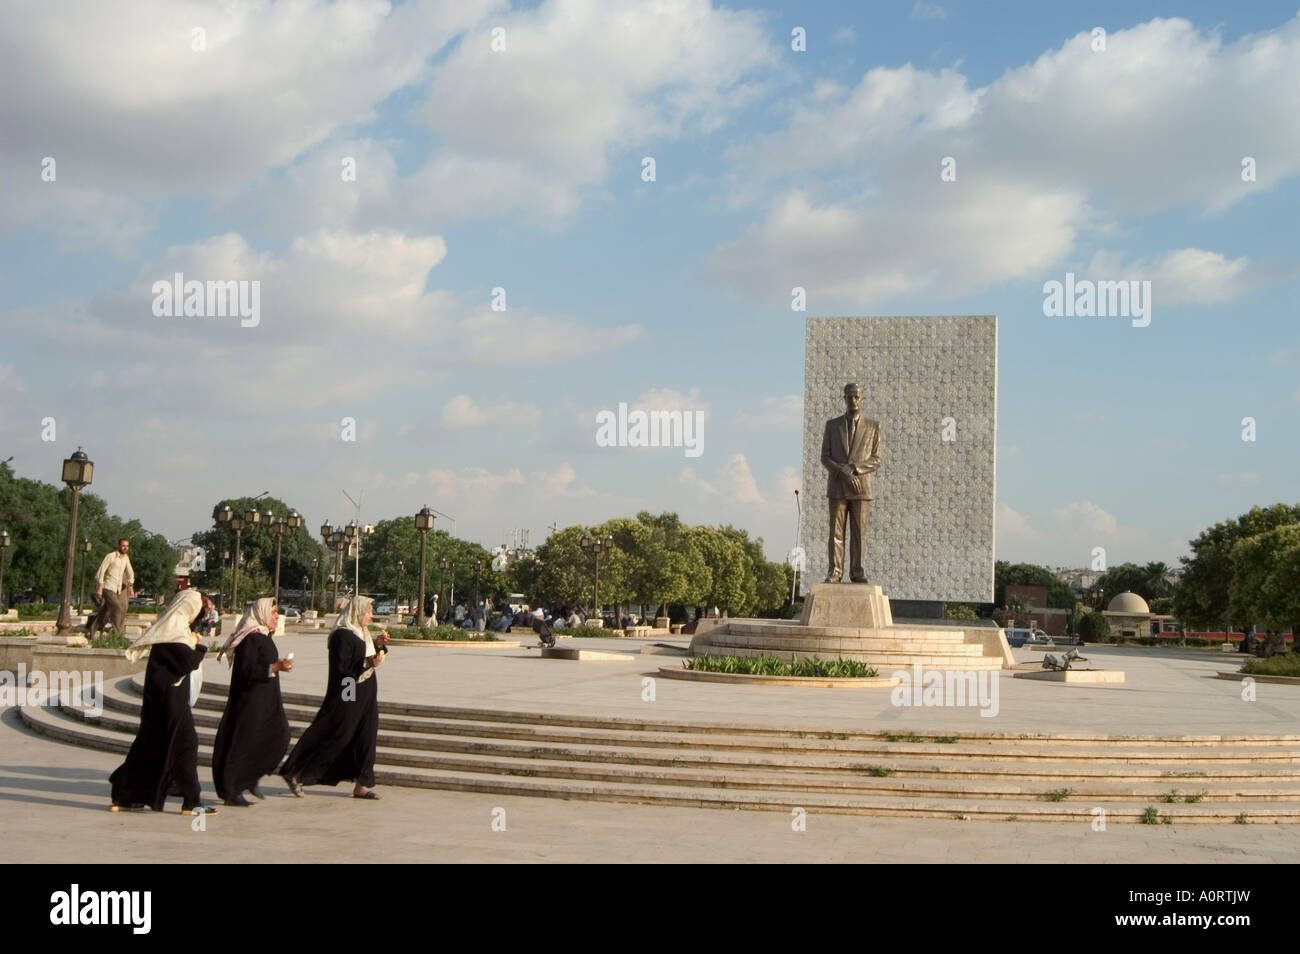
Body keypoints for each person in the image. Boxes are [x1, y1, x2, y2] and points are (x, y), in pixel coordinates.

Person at [108, 589, 215, 815]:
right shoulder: (173, 632)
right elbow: (187, 663)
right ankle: (192, 801)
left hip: (163, 700)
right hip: (171, 703)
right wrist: (200, 647)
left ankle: (123, 793)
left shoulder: (174, 629)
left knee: (149, 747)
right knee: (186, 745)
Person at [280, 595, 389, 800]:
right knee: (336, 731)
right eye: (368, 611)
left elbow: (363, 655)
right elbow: (344, 668)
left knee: (367, 735)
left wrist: (378, 644)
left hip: (366, 690)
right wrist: (368, 664)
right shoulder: (342, 635)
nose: (371, 616)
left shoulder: (361, 633)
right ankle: (294, 771)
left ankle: (363, 783)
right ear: (357, 612)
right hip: (349, 689)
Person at [212, 598, 293, 807]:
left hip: (266, 700)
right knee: (242, 743)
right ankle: (232, 790)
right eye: (273, 612)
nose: (277, 617)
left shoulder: (263, 636)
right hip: (251, 701)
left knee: (279, 734)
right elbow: (246, 671)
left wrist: (278, 666)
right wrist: (274, 667)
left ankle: (250, 778)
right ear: (262, 613)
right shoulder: (251, 638)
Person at [820, 382, 882, 583]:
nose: (853, 400)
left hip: (861, 487)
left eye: (857, 396)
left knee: (859, 533)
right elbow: (825, 456)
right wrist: (842, 472)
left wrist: (855, 469)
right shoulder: (832, 425)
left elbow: (876, 459)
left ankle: (857, 571)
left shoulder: (873, 426)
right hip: (838, 486)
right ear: (844, 398)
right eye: (849, 396)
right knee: (836, 532)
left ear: (862, 399)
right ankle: (835, 571)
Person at [86, 538, 135, 638]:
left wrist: (131, 586)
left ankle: (91, 631)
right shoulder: (111, 556)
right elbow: (101, 571)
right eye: (123, 545)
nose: (125, 548)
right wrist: (100, 587)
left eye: (127, 546)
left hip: (117, 589)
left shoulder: (126, 558)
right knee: (117, 608)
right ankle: (118, 634)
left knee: (105, 611)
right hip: (108, 587)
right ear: (118, 546)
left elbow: (130, 572)